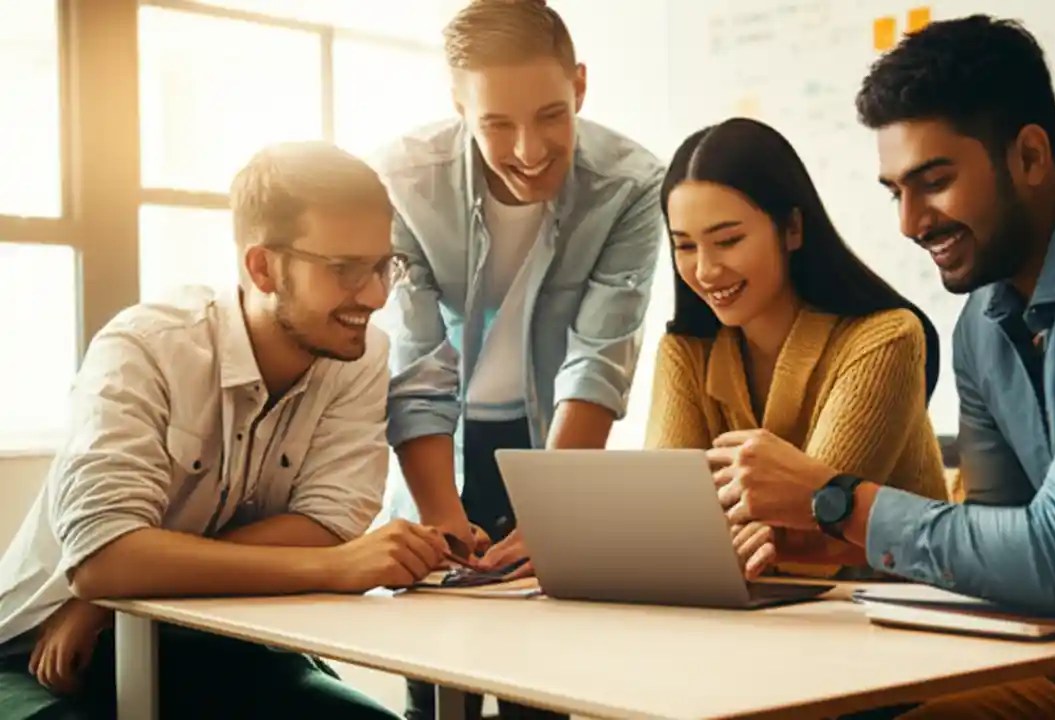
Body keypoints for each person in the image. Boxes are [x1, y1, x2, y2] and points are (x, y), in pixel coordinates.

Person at [710, 15, 1055, 719]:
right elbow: (1001, 556)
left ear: (1031, 158)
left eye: (935, 182)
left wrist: (837, 499)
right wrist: (833, 541)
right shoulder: (984, 324)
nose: (910, 222)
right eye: (896, 191)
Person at [0, 142, 451, 719]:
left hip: (220, 643)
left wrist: (117, 599)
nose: (376, 295)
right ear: (262, 267)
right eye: (344, 270)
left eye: (384, 265)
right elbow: (102, 559)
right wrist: (337, 568)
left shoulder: (359, 356)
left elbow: (325, 524)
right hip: (39, 654)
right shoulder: (146, 347)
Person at [369, 0, 664, 716]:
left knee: (542, 687)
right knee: (438, 684)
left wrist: (553, 513)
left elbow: (599, 357)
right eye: (497, 124)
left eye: (551, 116)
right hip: (437, 448)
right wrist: (442, 515)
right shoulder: (405, 178)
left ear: (581, 87)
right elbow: (417, 364)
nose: (530, 149)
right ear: (459, 106)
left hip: (554, 446)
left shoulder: (632, 184)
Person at [646, 117, 947, 580]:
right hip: (750, 622)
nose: (705, 271)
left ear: (792, 229)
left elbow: (812, 532)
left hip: (883, 618)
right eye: (684, 246)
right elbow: (665, 524)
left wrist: (722, 536)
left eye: (728, 241)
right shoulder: (686, 350)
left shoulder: (885, 338)